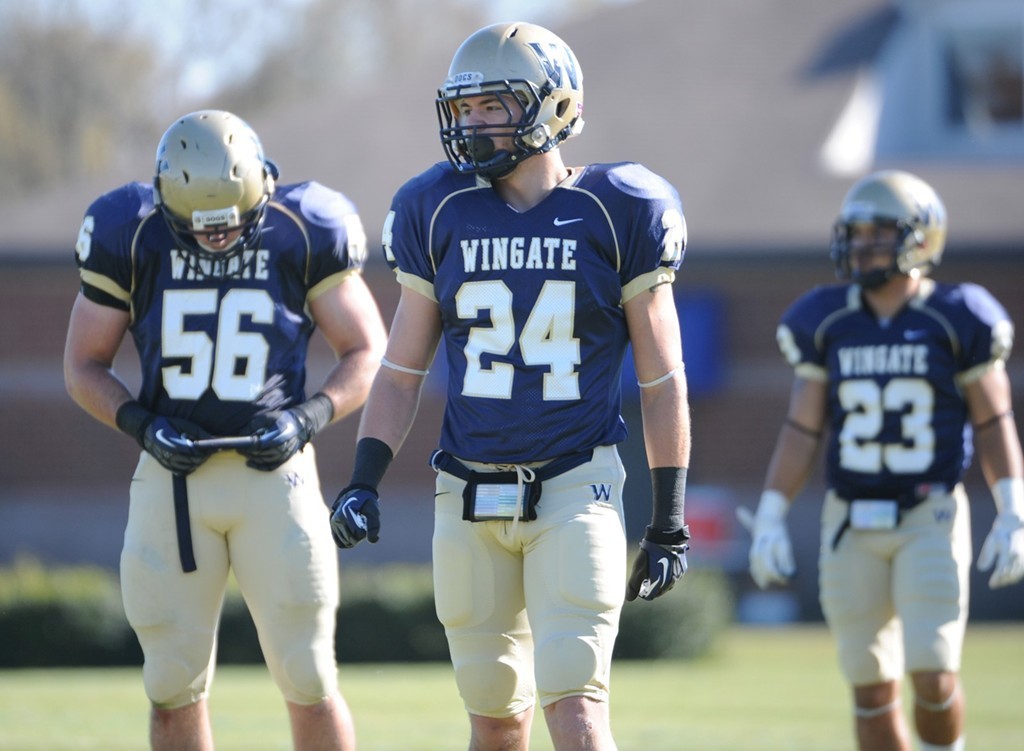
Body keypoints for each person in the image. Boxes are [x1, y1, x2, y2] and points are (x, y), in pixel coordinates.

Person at [327, 21, 691, 751]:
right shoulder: (441, 207)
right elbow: (401, 372)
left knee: (577, 710)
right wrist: (363, 476)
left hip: (573, 485)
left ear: (552, 106)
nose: (470, 125)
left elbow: (662, 381)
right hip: (466, 493)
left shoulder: (616, 207)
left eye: (490, 106)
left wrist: (669, 519)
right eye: (462, 109)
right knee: (494, 721)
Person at [63, 109, 387, 751]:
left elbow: (366, 351)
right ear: (164, 204)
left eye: (231, 224)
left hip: (278, 482)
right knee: (171, 682)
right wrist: (140, 423)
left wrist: (307, 418)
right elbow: (81, 366)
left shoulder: (302, 228)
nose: (217, 239)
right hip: (173, 487)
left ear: (264, 186)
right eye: (199, 227)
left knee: (309, 673)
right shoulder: (131, 235)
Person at [739, 169, 1024, 751]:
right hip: (850, 519)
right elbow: (802, 426)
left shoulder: (958, 316)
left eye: (879, 231)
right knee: (869, 686)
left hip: (930, 514)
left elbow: (994, 422)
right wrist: (770, 512)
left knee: (934, 672)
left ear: (921, 237)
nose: (863, 244)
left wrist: (1012, 506)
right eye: (856, 232)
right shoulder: (827, 319)